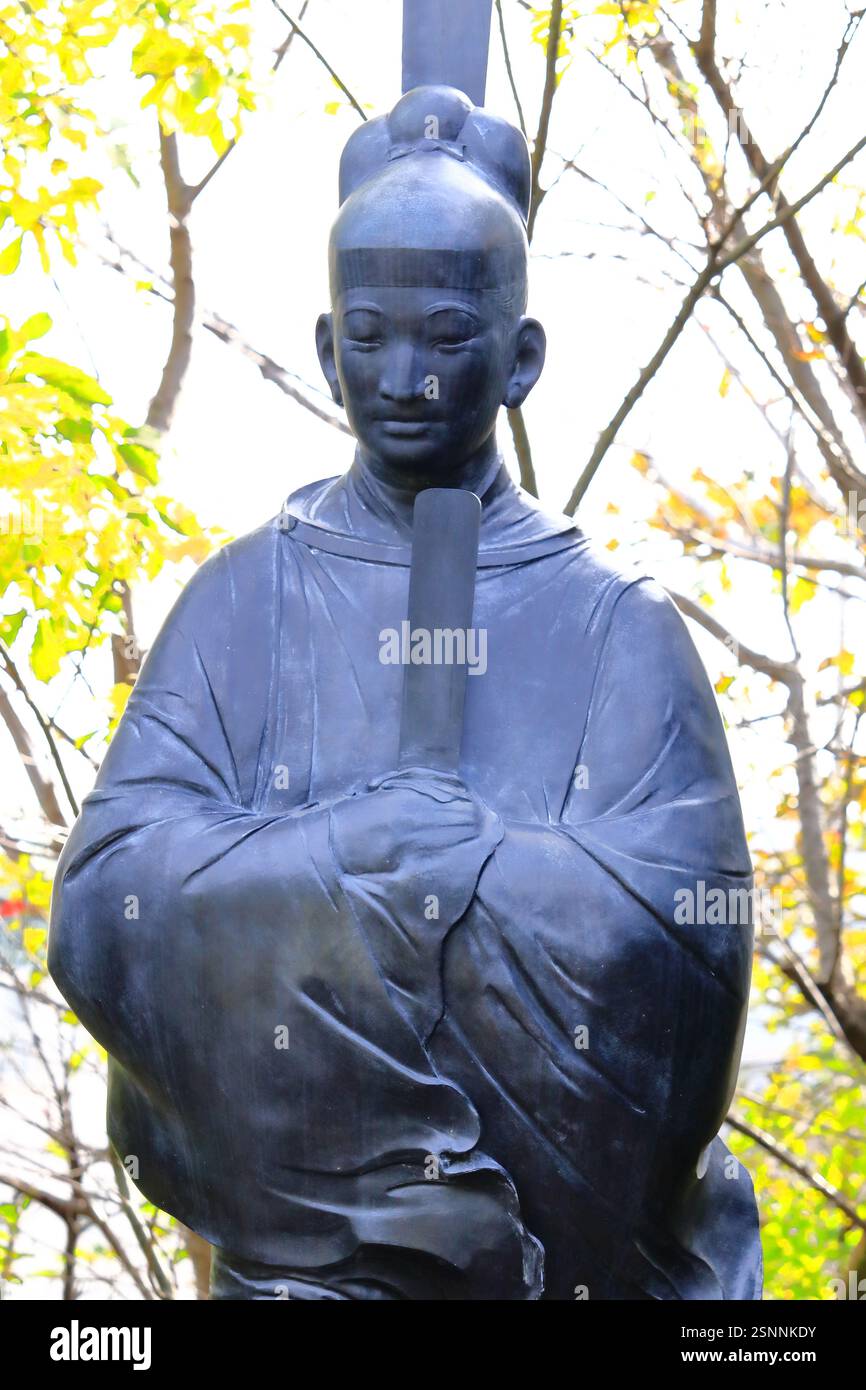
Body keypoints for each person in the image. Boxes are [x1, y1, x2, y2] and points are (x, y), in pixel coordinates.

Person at [49, 86, 761, 1299]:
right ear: (326, 349)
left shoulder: (618, 626)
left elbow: (691, 948)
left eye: (445, 334)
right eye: (368, 336)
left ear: (521, 356)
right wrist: (340, 855)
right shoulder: (245, 600)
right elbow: (108, 902)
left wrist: (471, 862)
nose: (404, 374)